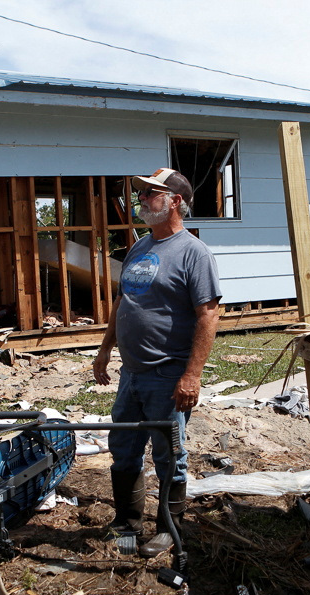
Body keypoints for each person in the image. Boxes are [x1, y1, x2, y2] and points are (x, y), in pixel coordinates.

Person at [93, 168, 221, 558]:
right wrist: (104, 348)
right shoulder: (138, 247)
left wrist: (192, 376)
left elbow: (208, 314)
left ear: (175, 201)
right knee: (124, 447)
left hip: (168, 374)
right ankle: (127, 523)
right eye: (143, 194)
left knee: (169, 454)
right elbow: (124, 302)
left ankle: (168, 527)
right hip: (131, 374)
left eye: (151, 194)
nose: (142, 200)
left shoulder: (193, 252)